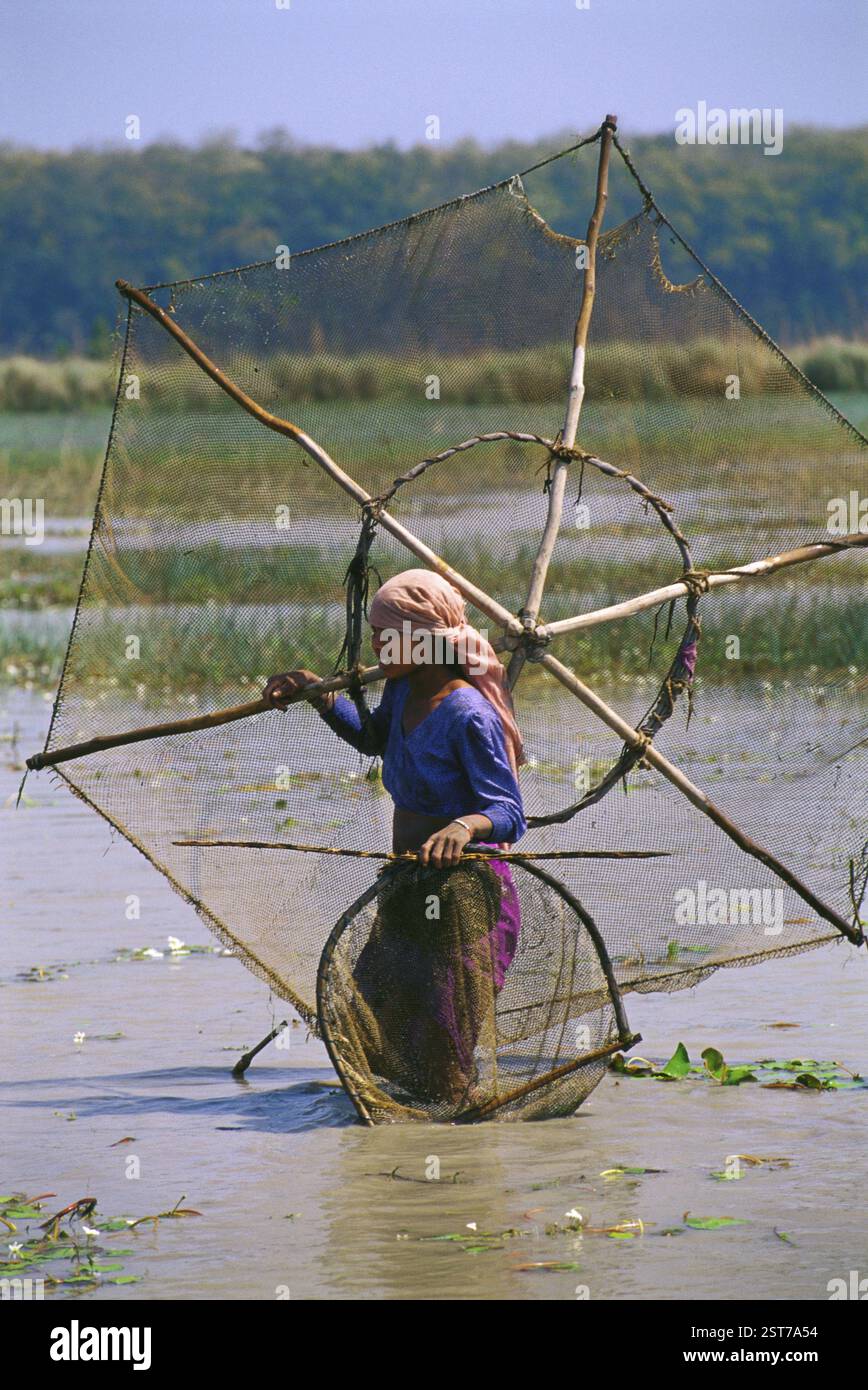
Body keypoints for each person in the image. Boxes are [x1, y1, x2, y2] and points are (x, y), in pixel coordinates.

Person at [263, 568, 527, 1107]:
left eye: (388, 634)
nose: (377, 645)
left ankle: (455, 1162)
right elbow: (375, 740)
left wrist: (463, 826)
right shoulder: (404, 688)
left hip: (469, 901)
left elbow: (507, 812)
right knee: (378, 1017)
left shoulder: (468, 714)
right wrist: (317, 693)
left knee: (443, 1045)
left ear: (425, 639)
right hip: (408, 890)